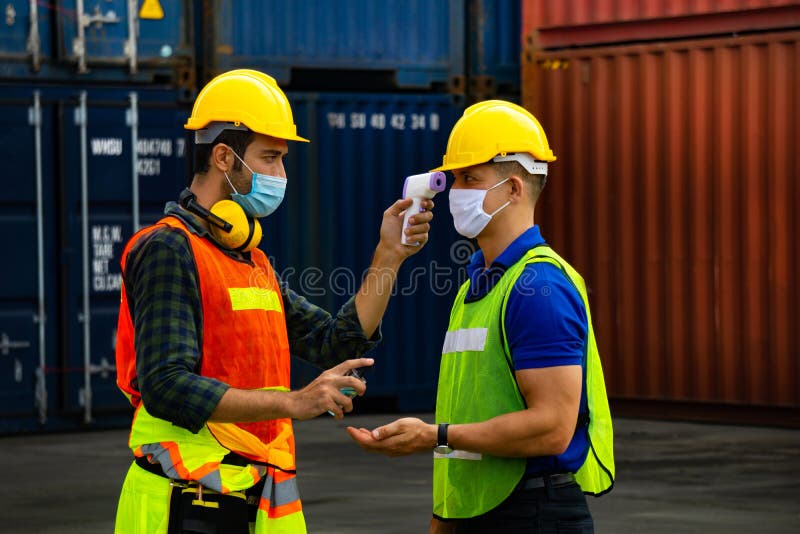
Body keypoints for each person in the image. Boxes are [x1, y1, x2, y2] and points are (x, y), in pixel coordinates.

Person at [113, 69, 434, 533]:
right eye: (270, 158)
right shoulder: (168, 249)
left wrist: (389, 255)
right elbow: (166, 386)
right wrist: (294, 402)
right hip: (184, 503)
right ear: (223, 156)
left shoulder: (251, 260)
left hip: (251, 499)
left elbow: (334, 342)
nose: (281, 175)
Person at [347, 100, 615, 533]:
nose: (455, 192)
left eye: (470, 179)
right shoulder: (476, 287)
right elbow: (471, 406)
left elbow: (552, 428)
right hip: (478, 511)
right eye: (454, 179)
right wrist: (445, 519)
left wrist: (433, 435)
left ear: (513, 189)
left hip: (533, 515)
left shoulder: (538, 288)